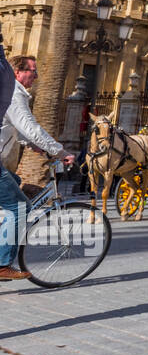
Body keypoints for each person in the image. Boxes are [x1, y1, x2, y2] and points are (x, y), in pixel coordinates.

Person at [0, 55, 74, 280]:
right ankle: (2, 264)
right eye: (32, 70)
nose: (36, 75)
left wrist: (32, 145)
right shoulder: (13, 93)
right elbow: (30, 128)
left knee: (14, 183)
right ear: (17, 73)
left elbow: (14, 126)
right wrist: (60, 152)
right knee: (20, 207)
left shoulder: (10, 92)